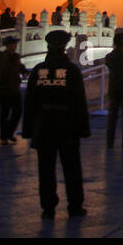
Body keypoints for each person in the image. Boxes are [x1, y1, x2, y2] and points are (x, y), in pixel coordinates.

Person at [23, 29, 90, 219]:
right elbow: (79, 101)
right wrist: (83, 128)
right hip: (67, 126)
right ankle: (75, 205)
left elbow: (30, 102)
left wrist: (28, 129)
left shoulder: (38, 71)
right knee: (72, 168)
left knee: (45, 169)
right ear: (65, 47)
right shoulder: (71, 71)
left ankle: (48, 207)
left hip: (43, 126)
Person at [103, 29, 123, 149]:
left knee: (112, 117)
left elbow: (109, 65)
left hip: (114, 88)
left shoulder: (109, 56)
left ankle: (109, 142)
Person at [0, 37, 27, 145]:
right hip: (4, 89)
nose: (15, 46)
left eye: (15, 44)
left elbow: (20, 67)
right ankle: (4, 136)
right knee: (4, 113)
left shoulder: (16, 56)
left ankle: (9, 132)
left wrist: (24, 71)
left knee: (18, 111)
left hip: (15, 88)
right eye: (13, 44)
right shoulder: (2, 56)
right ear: (8, 45)